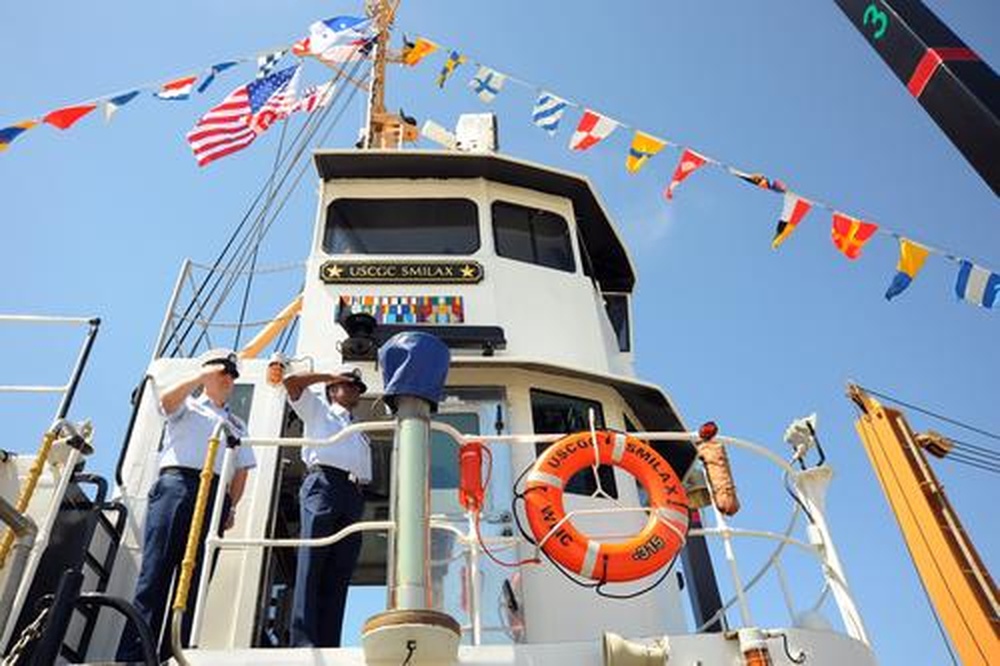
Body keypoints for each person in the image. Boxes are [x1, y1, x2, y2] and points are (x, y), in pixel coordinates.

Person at [117, 349, 256, 662]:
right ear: (208, 376)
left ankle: (172, 655)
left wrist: (230, 507)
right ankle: (135, 656)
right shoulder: (188, 405)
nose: (228, 380)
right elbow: (165, 402)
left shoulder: (237, 424)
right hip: (177, 487)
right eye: (222, 373)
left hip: (214, 497)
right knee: (156, 573)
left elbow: (242, 468)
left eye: (231, 375)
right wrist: (199, 375)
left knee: (193, 583)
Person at [284, 365, 372, 648]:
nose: (354, 389)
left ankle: (328, 642)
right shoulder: (318, 410)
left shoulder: (360, 429)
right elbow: (291, 383)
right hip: (323, 484)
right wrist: (329, 375)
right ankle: (303, 640)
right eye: (348, 384)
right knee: (312, 564)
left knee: (339, 570)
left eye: (357, 387)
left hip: (352, 492)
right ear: (333, 389)